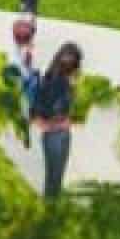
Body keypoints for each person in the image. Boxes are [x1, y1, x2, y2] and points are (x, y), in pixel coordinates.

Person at [32, 42, 83, 198]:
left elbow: (78, 113)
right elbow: (37, 107)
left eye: (72, 58)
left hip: (63, 135)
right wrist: (45, 123)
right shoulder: (51, 79)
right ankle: (49, 208)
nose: (68, 61)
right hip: (54, 135)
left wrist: (69, 120)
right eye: (66, 56)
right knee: (53, 178)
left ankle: (50, 207)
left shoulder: (71, 82)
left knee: (56, 178)